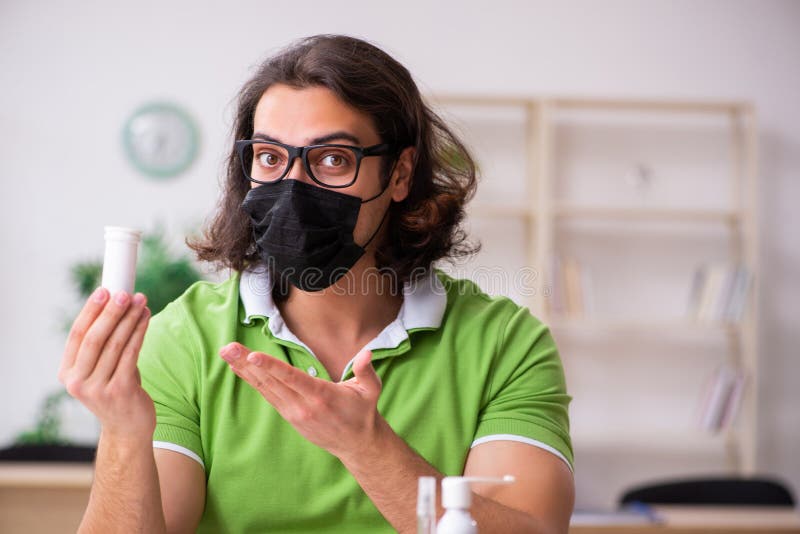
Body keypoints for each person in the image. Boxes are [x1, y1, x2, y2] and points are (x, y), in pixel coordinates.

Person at [58, 34, 574, 533]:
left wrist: (365, 445)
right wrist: (124, 433)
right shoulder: (185, 339)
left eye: (332, 159)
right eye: (270, 158)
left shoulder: (507, 345)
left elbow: (532, 527)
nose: (293, 189)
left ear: (399, 174)